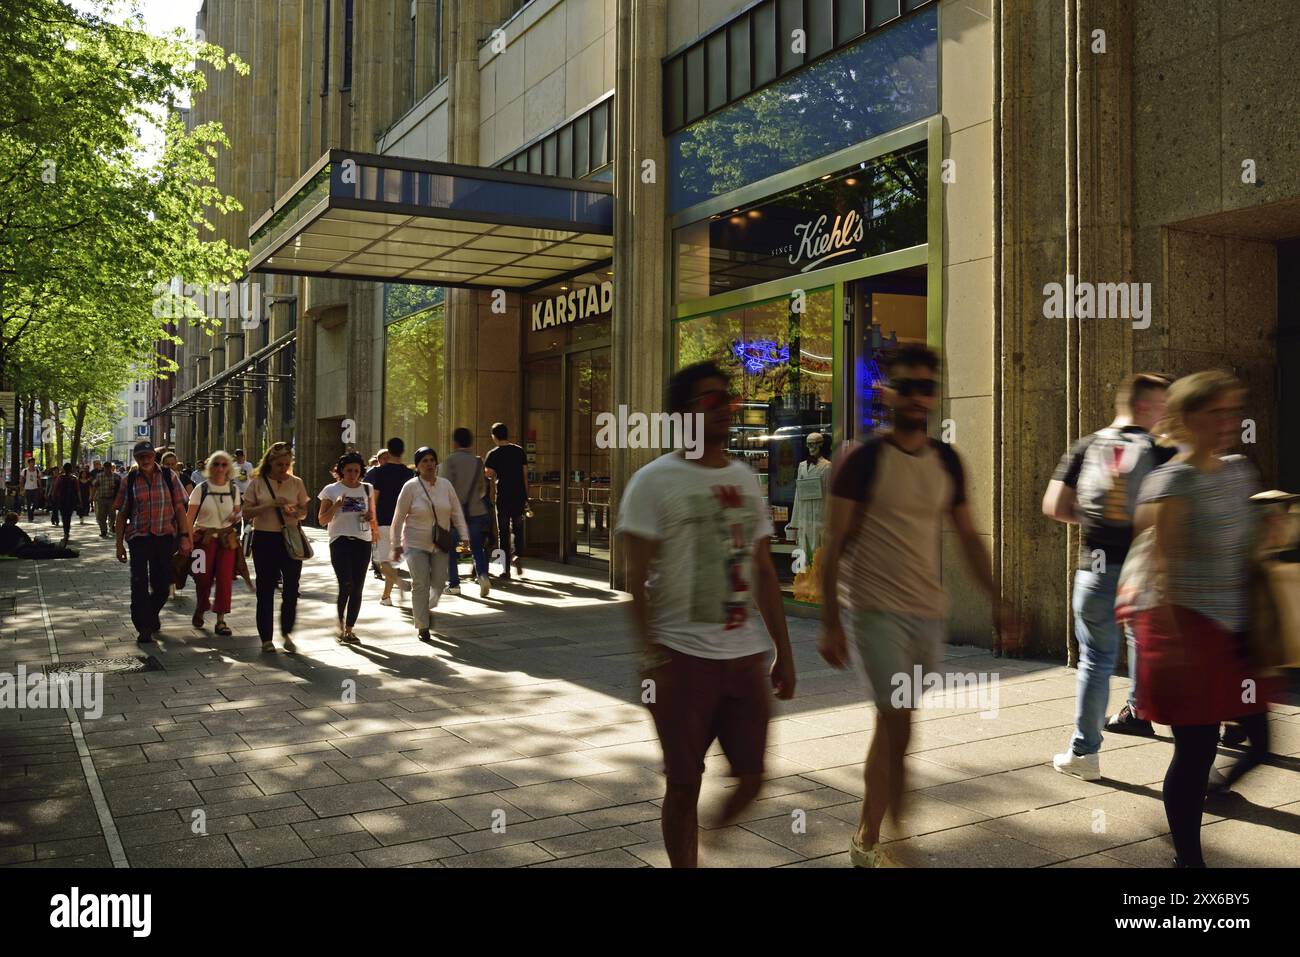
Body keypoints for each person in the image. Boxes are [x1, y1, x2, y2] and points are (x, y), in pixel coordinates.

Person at [818, 344, 1018, 868]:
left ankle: (891, 827)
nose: (916, 397)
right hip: (873, 608)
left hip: (927, 611)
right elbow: (834, 543)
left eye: (926, 387)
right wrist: (830, 622)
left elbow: (969, 537)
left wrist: (998, 601)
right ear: (887, 393)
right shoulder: (862, 460)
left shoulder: (946, 459)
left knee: (900, 726)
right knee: (896, 719)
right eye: (906, 386)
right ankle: (871, 837)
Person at [617, 361, 797, 869]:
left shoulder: (743, 476)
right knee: (683, 783)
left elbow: (763, 569)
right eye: (711, 401)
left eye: (729, 400)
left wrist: (784, 651)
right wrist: (653, 656)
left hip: (744, 658)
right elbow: (637, 580)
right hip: (681, 658)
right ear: (683, 415)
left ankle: (711, 834)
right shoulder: (653, 482)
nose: (725, 410)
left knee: (755, 777)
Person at [1131, 370, 1274, 868]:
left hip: (1237, 633)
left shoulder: (1240, 472)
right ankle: (1189, 863)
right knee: (1195, 753)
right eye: (1218, 412)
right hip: (1187, 631)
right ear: (1189, 418)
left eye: (1234, 411)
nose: (1230, 421)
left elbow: (1251, 549)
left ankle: (1205, 797)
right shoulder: (1172, 481)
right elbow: (1161, 568)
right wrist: (1174, 649)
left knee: (1259, 742)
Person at [1044, 373, 1173, 780]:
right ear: (1147, 407)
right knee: (1147, 643)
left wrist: (1098, 519)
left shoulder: (1087, 445)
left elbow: (1054, 506)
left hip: (1095, 567)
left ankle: (1085, 754)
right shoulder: (1159, 450)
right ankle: (1146, 715)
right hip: (1143, 569)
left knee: (1096, 659)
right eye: (1163, 406)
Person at [114, 441, 193, 644]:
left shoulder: (169, 476)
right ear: (136, 459)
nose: (145, 460)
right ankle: (144, 626)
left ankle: (149, 614)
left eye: (148, 456)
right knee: (138, 582)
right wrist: (119, 544)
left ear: (153, 456)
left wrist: (185, 537)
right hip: (138, 538)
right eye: (141, 457)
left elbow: (180, 509)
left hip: (164, 536)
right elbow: (122, 514)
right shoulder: (129, 480)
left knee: (162, 586)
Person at [390, 446, 467, 643]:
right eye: (424, 461)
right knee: (420, 583)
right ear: (417, 466)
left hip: (440, 543)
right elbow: (398, 518)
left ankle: (426, 607)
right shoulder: (410, 487)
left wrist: (464, 536)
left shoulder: (445, 485)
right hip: (415, 543)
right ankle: (422, 625)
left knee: (439, 582)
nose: (429, 464)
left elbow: (456, 511)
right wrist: (395, 544)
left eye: (432, 460)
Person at [240, 441, 311, 653]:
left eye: (287, 464)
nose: (283, 468)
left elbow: (304, 512)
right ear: (270, 463)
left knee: (291, 588)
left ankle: (287, 632)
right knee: (265, 589)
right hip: (265, 539)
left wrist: (296, 513)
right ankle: (266, 638)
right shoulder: (257, 483)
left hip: (290, 538)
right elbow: (246, 513)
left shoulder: (296, 482)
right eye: (279, 464)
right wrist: (269, 505)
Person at [319, 451, 378, 644]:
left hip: (362, 541)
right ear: (341, 471)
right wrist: (336, 506)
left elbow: (371, 515)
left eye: (356, 471)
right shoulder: (331, 489)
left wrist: (370, 519)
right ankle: (340, 621)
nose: (352, 474)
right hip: (340, 540)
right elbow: (322, 520)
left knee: (358, 587)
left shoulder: (368, 489)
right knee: (346, 583)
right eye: (348, 471)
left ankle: (349, 629)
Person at [187, 451, 247, 638]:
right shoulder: (200, 489)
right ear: (209, 467)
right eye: (216, 464)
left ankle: (221, 620)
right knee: (202, 578)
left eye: (223, 464)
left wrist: (236, 517)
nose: (220, 468)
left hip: (225, 540)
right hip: (203, 540)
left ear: (229, 468)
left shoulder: (233, 489)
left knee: (224, 579)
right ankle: (201, 606)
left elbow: (238, 513)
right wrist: (187, 539)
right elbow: (190, 518)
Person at [442, 428, 491, 598]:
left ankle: (454, 583)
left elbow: (446, 488)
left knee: (451, 548)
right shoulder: (478, 461)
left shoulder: (450, 461)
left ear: (455, 442)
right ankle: (483, 575)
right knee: (477, 546)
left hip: (456, 513)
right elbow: (483, 489)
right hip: (476, 510)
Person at [365, 438, 413, 606]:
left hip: (383, 520)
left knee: (381, 561)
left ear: (389, 451)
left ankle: (398, 582)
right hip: (402, 521)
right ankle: (386, 596)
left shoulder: (379, 472)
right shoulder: (408, 473)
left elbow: (374, 500)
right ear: (402, 451)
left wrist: (372, 522)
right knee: (393, 560)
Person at [484, 423, 529, 581]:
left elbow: (488, 474)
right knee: (518, 529)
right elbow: (525, 475)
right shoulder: (519, 451)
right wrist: (526, 496)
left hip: (503, 496)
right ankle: (517, 555)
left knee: (503, 533)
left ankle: (506, 570)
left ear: (494, 436)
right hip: (519, 497)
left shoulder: (493, 454)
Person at [0, 512, 77, 559]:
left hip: (17, 548)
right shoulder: (14, 528)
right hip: (18, 549)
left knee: (38, 549)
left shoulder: (3, 528)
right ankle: (59, 548)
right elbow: (25, 536)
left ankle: (60, 548)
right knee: (40, 550)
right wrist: (30, 542)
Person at [92, 460, 122, 538]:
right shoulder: (99, 476)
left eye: (108, 468)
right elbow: (95, 485)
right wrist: (92, 495)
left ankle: (111, 525)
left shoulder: (115, 476)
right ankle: (103, 530)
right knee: (101, 516)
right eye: (106, 468)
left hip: (111, 498)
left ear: (110, 468)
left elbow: (120, 487)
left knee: (112, 515)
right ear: (104, 468)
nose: (107, 470)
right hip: (101, 498)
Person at [52, 463, 79, 546]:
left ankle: (66, 532)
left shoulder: (60, 478)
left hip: (62, 500)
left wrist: (54, 498)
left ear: (63, 469)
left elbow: (55, 489)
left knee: (64, 516)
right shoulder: (74, 478)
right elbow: (77, 490)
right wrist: (79, 501)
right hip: (71, 500)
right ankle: (67, 531)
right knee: (69, 516)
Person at [20, 457, 40, 523]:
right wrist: (21, 489)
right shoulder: (24, 471)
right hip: (27, 489)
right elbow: (21, 480)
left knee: (35, 503)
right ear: (28, 463)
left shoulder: (37, 470)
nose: (33, 463)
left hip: (35, 488)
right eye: (31, 462)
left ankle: (32, 512)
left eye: (34, 462)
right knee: (28, 504)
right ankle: (30, 518)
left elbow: (39, 479)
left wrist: (41, 487)